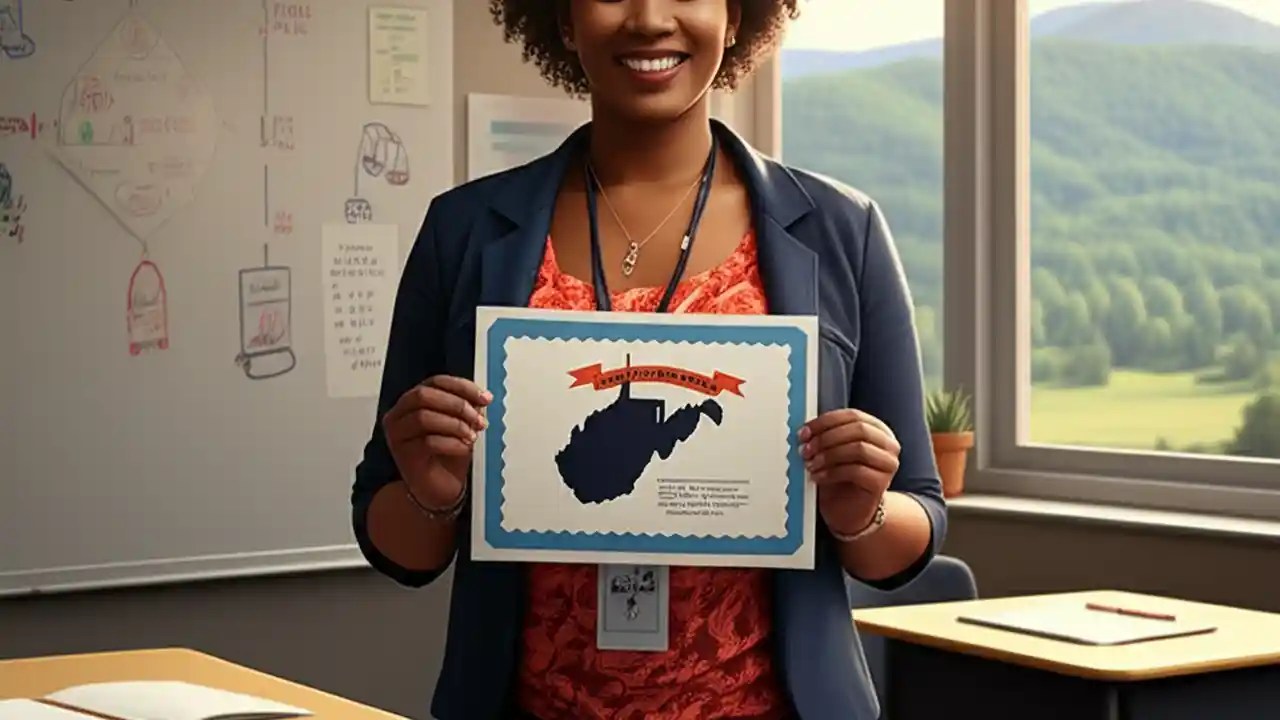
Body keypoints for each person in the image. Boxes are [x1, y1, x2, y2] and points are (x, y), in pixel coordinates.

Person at [350, 1, 947, 718]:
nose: (648, 17)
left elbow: (915, 525)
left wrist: (860, 513)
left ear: (737, 17)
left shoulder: (843, 231)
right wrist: (431, 491)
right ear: (564, 20)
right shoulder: (463, 231)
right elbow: (400, 546)